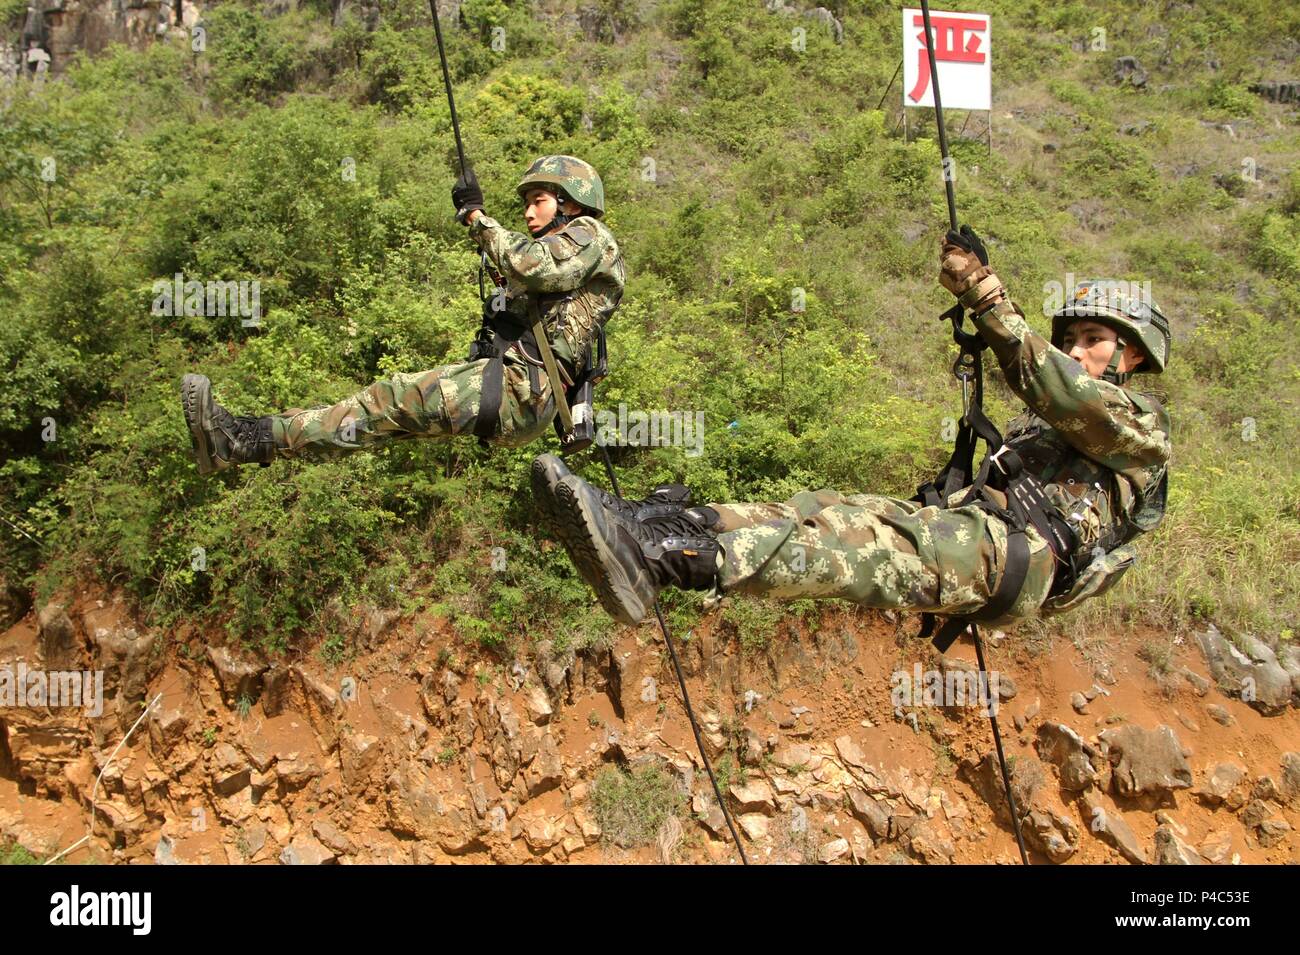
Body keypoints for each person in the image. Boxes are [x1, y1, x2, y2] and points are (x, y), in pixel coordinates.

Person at [532, 229, 1172, 634]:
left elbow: (1058, 388)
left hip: (1007, 557)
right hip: (978, 536)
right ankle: (648, 525)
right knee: (823, 509)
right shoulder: (1060, 426)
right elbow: (1052, 387)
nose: (1079, 352)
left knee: (846, 548)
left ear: (1133, 357)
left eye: (1094, 341)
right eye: (1072, 341)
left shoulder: (1142, 433)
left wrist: (984, 293)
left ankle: (666, 562)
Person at [181, 155, 626, 474]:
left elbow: (529, 264)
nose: (529, 211)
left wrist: (476, 217)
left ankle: (238, 438)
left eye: (540, 199)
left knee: (385, 402)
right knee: (368, 421)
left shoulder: (590, 235)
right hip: (513, 390)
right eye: (526, 201)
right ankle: (239, 444)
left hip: (520, 390)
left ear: (571, 202)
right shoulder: (567, 255)